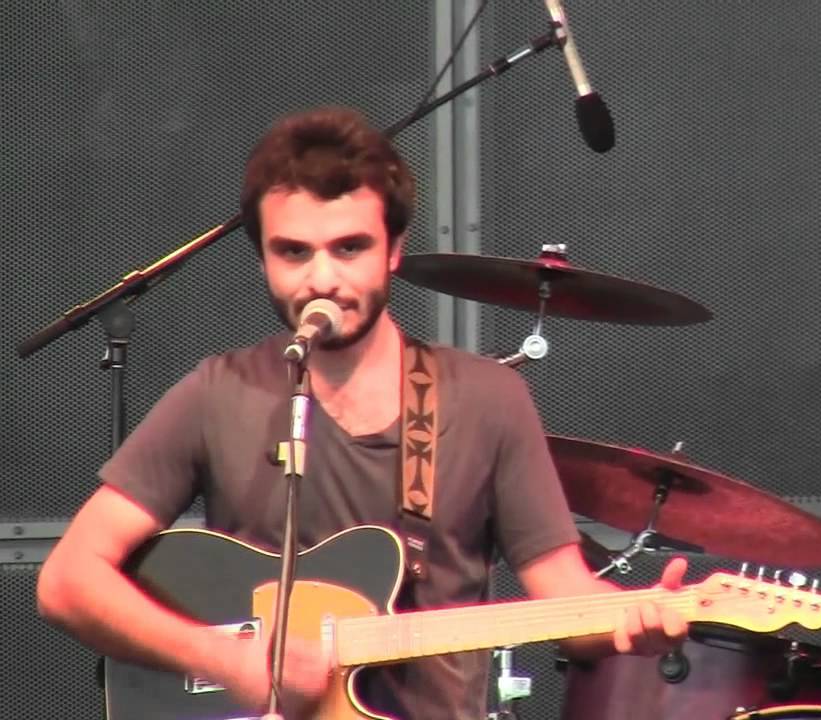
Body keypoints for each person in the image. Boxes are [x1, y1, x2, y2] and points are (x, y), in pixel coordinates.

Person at [36, 106, 688, 720]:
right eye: (294, 252)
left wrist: (638, 619)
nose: (321, 279)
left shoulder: (488, 399)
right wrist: (223, 658)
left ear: (394, 250)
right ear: (262, 257)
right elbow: (68, 580)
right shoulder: (219, 393)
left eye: (349, 248)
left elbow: (563, 594)